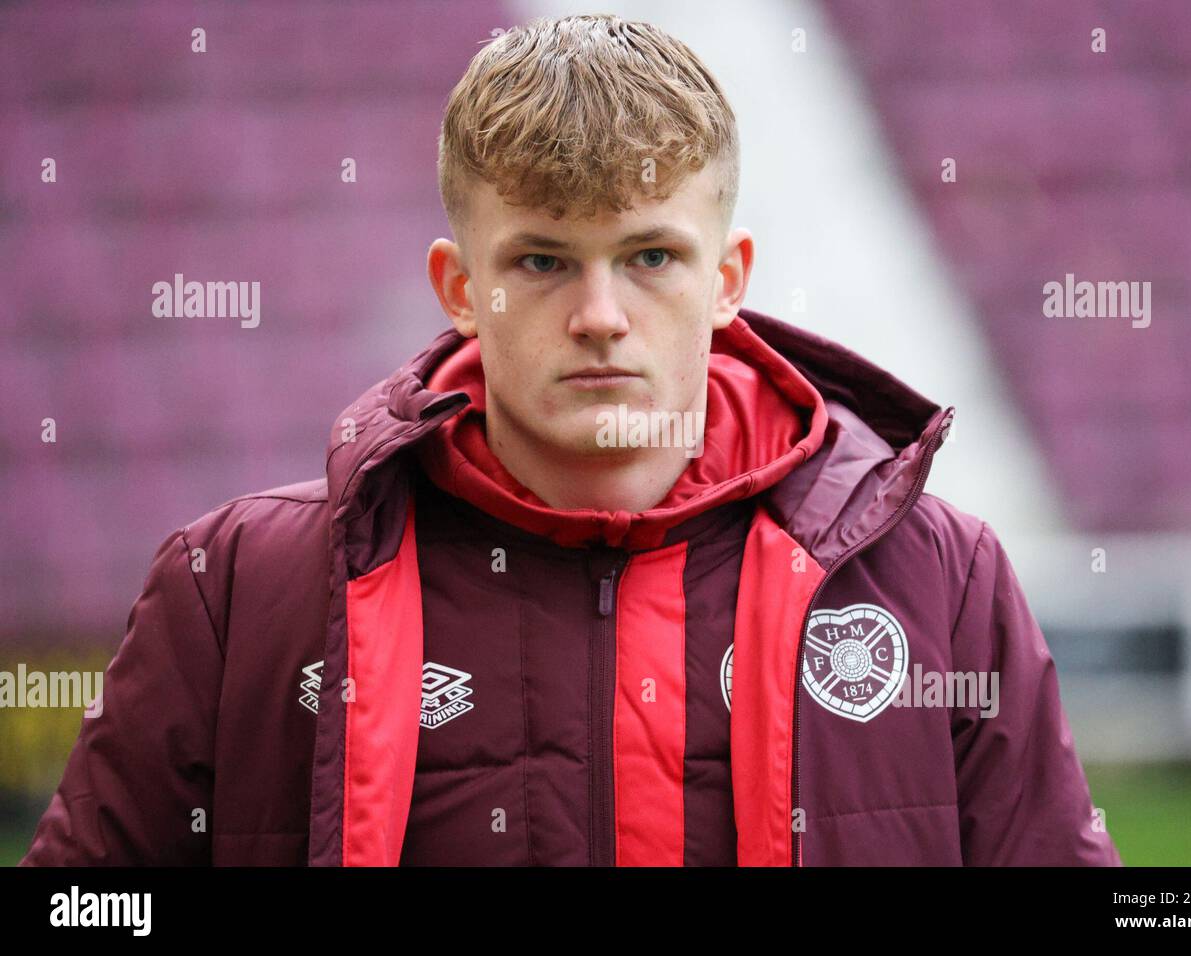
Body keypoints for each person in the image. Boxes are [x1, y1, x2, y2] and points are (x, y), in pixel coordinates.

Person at [22, 13, 1120, 867]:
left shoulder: (939, 579)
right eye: (543, 261)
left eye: (649, 256)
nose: (600, 313)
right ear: (461, 286)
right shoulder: (237, 588)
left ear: (726, 277)